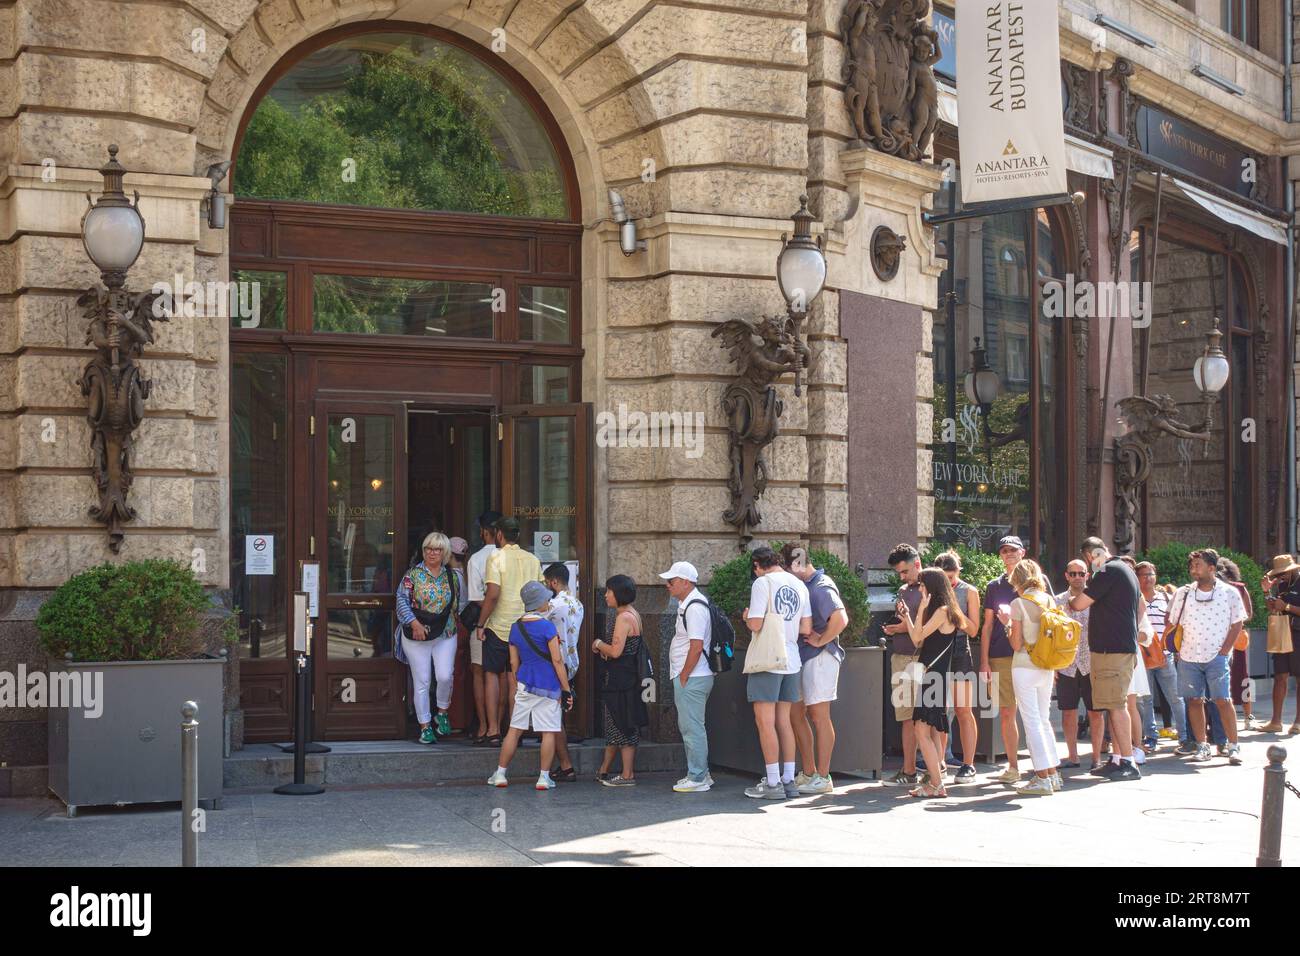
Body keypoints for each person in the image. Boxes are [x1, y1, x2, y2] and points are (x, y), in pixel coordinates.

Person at [486, 582, 574, 790]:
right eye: (546, 599)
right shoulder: (547, 627)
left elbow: (514, 662)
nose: (548, 602)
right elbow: (557, 661)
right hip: (549, 686)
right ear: (540, 603)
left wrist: (519, 681)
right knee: (548, 732)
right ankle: (544, 777)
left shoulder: (515, 628)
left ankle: (500, 773)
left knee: (514, 730)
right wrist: (566, 688)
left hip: (525, 684)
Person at [1069, 537, 1142, 781]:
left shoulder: (1108, 571)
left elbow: (1079, 604)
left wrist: (1069, 600)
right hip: (1116, 650)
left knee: (1116, 706)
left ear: (1091, 555)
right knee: (1113, 705)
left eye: (1088, 563)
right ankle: (1117, 759)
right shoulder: (1125, 570)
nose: (1089, 569)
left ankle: (1129, 762)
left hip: (1113, 652)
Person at [1165, 549, 1246, 765]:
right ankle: (1202, 746)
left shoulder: (1229, 592)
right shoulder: (1183, 593)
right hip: (1188, 656)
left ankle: (1233, 746)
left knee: (1222, 700)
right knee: (1194, 700)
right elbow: (1172, 621)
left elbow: (1238, 622)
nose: (1193, 568)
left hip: (1216, 656)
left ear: (1212, 568)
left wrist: (1224, 650)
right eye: (1191, 565)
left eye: (1198, 564)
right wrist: (1179, 650)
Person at [742, 546, 811, 800]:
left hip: (768, 659)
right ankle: (788, 780)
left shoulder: (763, 584)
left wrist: (747, 617)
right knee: (785, 721)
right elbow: (806, 627)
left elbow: (757, 624)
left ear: (758, 565)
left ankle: (772, 784)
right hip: (792, 659)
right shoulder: (799, 585)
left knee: (765, 722)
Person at [782, 544, 849, 795]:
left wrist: (822, 640)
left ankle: (822, 776)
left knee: (818, 716)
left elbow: (841, 619)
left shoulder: (820, 587)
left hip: (819, 657)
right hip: (805, 656)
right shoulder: (809, 584)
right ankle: (810, 773)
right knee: (797, 714)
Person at [475, 516, 543, 745]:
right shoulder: (533, 559)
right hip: (525, 626)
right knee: (516, 678)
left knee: (492, 675)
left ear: (500, 535)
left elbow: (493, 593)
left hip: (500, 625)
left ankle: (493, 730)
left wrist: (480, 623)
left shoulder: (496, 556)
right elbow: (539, 594)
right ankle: (516, 730)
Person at [897, 567, 960, 798]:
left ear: (932, 586)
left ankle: (936, 783)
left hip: (934, 677)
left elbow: (919, 636)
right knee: (926, 731)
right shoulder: (943, 610)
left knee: (921, 730)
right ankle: (936, 781)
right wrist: (909, 616)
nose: (920, 589)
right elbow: (916, 638)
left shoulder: (943, 611)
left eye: (923, 585)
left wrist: (921, 609)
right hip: (933, 676)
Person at [395, 532, 460, 743]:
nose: (432, 553)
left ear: (445, 553)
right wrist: (414, 624)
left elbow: (458, 604)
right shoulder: (412, 575)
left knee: (444, 676)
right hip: (416, 634)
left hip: (445, 633)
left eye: (437, 549)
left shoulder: (452, 576)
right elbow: (401, 601)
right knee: (422, 680)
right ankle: (424, 726)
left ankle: (441, 713)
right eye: (428, 549)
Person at [1007, 559, 1062, 796]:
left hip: (1024, 666)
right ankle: (1052, 774)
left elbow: (1016, 643)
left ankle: (1041, 778)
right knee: (1044, 720)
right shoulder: (1049, 599)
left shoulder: (1018, 603)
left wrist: (1006, 625)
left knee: (1031, 723)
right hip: (1046, 665)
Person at [660, 560, 715, 793]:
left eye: (671, 582)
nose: (668, 586)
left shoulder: (694, 607)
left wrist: (683, 675)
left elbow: (696, 646)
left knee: (691, 728)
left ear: (685, 582)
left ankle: (698, 776)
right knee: (692, 726)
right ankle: (701, 774)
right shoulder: (692, 604)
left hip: (693, 676)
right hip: (693, 675)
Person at [982, 536, 1028, 784]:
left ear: (1023, 552)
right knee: (1007, 713)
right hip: (1000, 656)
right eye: (1004, 550)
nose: (1009, 553)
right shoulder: (994, 586)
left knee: (1034, 713)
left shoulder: (1035, 582)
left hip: (1030, 656)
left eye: (1013, 549)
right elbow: (987, 626)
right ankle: (1013, 766)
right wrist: (984, 661)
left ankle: (1044, 767)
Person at [595, 574, 646, 786]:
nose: (606, 595)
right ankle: (604, 770)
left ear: (619, 593)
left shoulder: (624, 617)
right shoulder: (633, 613)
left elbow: (616, 651)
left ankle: (627, 775)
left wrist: (598, 644)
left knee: (623, 725)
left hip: (621, 680)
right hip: (627, 678)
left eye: (609, 591)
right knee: (617, 725)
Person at [1055, 560, 1107, 770]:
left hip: (1091, 662)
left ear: (1087, 575)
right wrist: (1052, 666)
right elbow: (1051, 635)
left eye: (1081, 573)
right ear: (1066, 576)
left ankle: (1096, 758)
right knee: (1068, 711)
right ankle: (1073, 757)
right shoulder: (1057, 601)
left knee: (1096, 712)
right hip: (1065, 664)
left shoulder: (1097, 599)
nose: (1077, 577)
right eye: (1073, 573)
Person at [935, 550, 979, 782]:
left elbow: (973, 629)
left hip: (960, 648)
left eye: (952, 577)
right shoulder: (931, 590)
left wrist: (954, 609)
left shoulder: (968, 591)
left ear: (958, 571)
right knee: (939, 711)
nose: (949, 582)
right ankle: (939, 762)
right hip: (937, 650)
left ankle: (968, 764)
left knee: (963, 710)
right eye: (945, 578)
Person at [882, 544, 924, 787]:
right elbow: (906, 622)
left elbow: (927, 626)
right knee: (906, 717)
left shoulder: (930, 586)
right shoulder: (903, 590)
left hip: (920, 658)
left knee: (926, 719)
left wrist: (900, 627)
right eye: (899, 572)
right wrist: (896, 627)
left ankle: (933, 770)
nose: (902, 576)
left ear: (917, 564)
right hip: (900, 655)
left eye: (905, 571)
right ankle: (909, 770)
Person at [1136, 562, 1187, 749]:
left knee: (1176, 697)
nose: (1148, 578)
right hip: (1143, 656)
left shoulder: (1167, 597)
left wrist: (1178, 649)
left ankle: (1185, 736)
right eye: (1143, 574)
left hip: (1166, 655)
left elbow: (1177, 625)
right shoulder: (1134, 598)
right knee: (1145, 700)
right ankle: (1151, 736)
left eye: (1151, 574)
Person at [543, 562, 581, 782]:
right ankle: (564, 765)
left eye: (547, 582)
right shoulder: (578, 603)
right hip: (572, 662)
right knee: (556, 717)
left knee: (553, 718)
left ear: (554, 582)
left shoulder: (553, 606)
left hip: (555, 663)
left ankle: (566, 766)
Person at [465, 510, 500, 743]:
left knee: (479, 673)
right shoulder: (516, 557)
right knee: (504, 675)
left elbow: (477, 597)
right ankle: (503, 726)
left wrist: (482, 620)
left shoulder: (476, 559)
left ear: (483, 532)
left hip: (485, 622)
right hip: (511, 623)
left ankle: (485, 727)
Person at [1261, 554, 1300, 734]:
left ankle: (1298, 722)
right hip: (1283, 632)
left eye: (1283, 572)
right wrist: (1267, 593)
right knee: (1279, 676)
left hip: (1298, 634)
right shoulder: (1283, 584)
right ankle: (1276, 721)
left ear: (1293, 569)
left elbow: (1284, 606)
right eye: (1279, 573)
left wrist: (1286, 607)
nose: (1281, 575)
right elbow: (1274, 607)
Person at [1216, 558, 1256, 730]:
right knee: (1219, 678)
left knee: (1243, 676)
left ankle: (1249, 715)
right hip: (1215, 639)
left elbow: (1249, 614)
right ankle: (1220, 717)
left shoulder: (1239, 588)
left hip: (1235, 637)